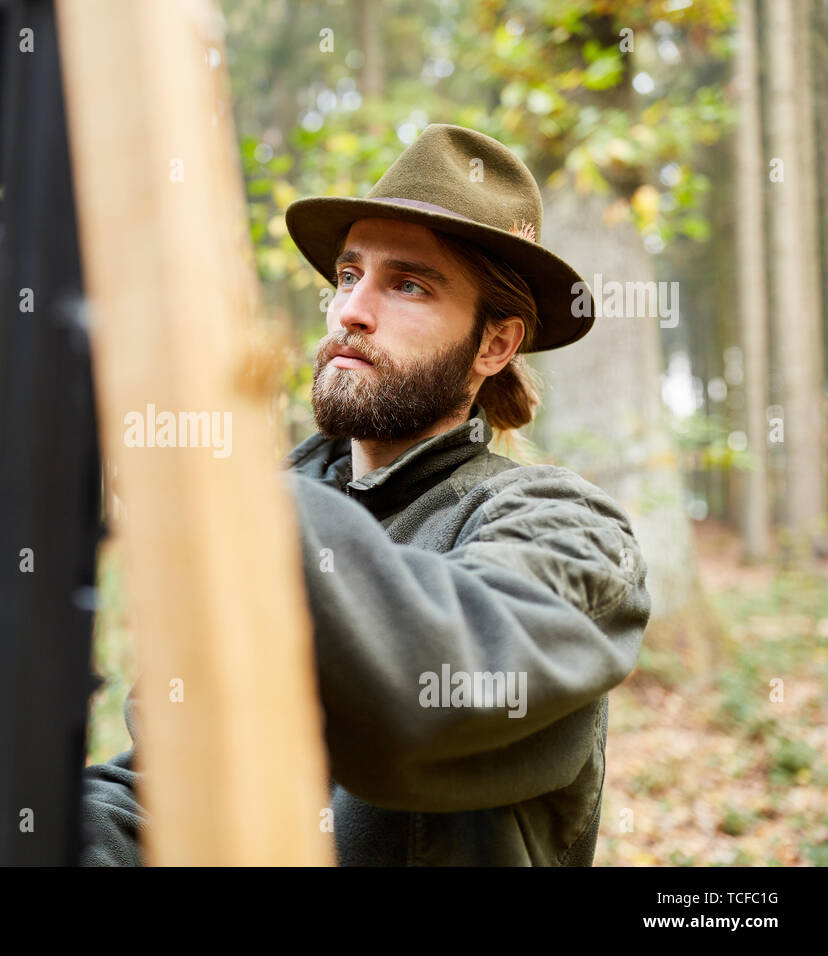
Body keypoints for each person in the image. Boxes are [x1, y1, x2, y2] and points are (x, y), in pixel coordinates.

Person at [80, 124, 650, 866]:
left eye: (408, 284)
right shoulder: (268, 509)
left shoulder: (570, 533)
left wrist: (231, 495)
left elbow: (420, 702)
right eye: (349, 276)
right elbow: (165, 795)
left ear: (495, 345)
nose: (351, 310)